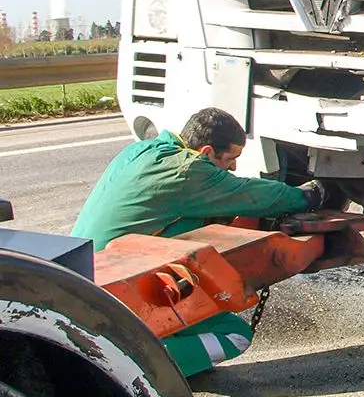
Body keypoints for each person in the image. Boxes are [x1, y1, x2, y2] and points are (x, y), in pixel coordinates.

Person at [72, 107, 339, 378]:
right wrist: (308, 196)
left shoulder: (139, 152)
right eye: (231, 158)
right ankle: (126, 368)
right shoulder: (187, 170)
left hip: (76, 275)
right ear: (207, 152)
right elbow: (252, 196)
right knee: (235, 335)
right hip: (115, 291)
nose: (233, 167)